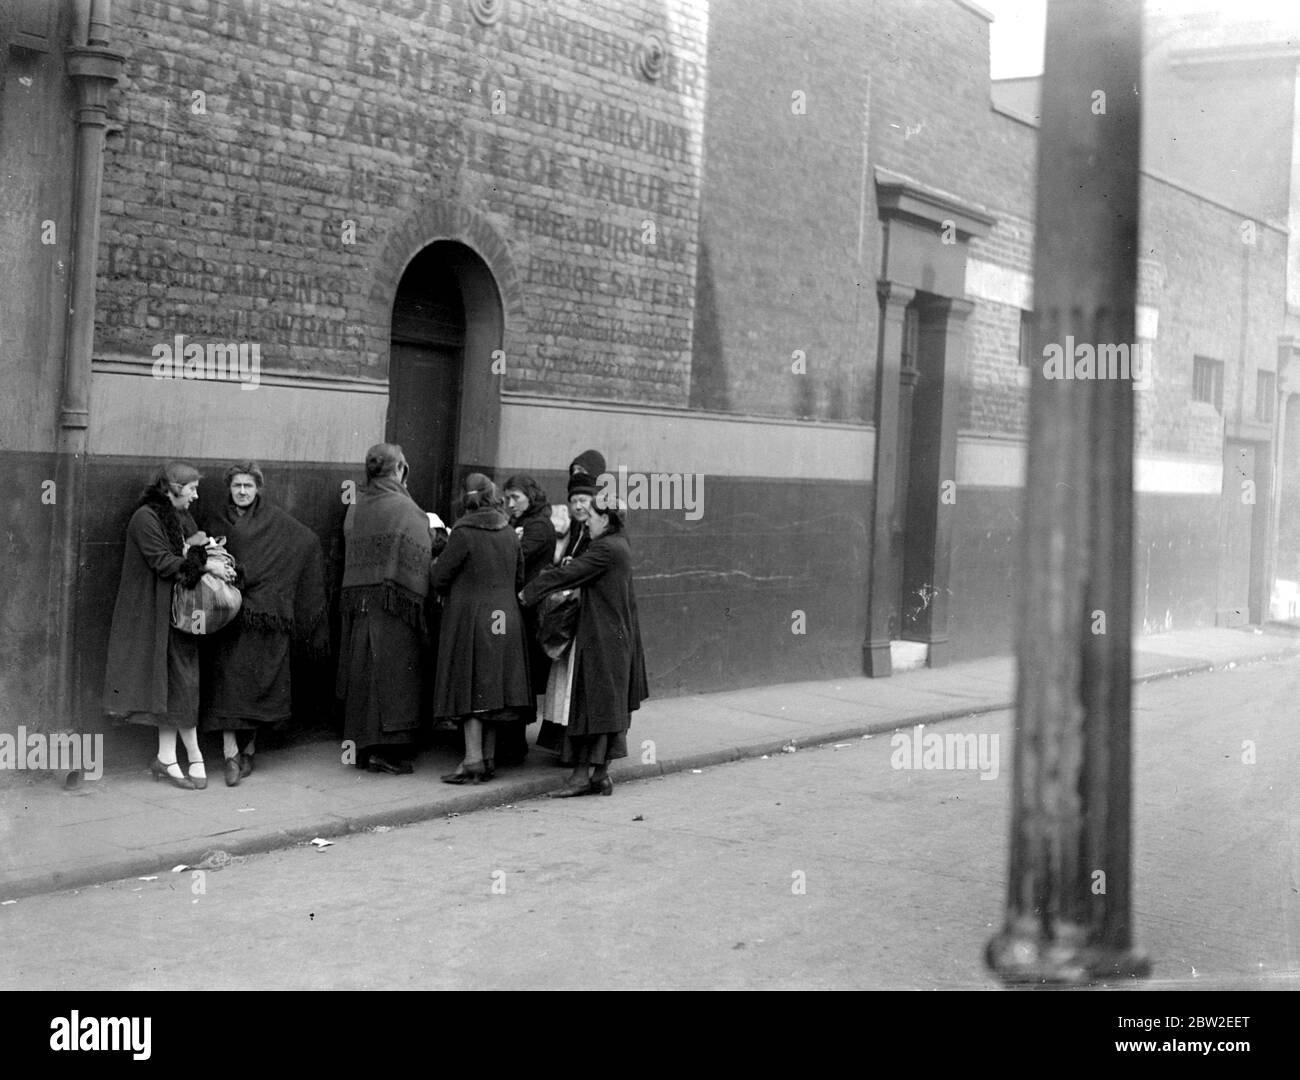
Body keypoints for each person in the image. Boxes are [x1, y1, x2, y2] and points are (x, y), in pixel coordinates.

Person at [102, 462, 236, 790]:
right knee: (173, 686)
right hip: (154, 612)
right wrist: (208, 567)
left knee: (179, 687)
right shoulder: (145, 518)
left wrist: (214, 559)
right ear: (173, 488)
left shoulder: (182, 517)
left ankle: (171, 757)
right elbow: (164, 563)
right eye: (191, 489)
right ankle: (187, 758)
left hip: (179, 612)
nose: (195, 495)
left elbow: (196, 550)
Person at [198, 462, 328, 786]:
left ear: (258, 489)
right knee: (227, 685)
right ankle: (229, 754)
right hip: (229, 613)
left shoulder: (275, 520)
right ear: (229, 488)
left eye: (249, 486)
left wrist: (274, 587)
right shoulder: (216, 520)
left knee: (259, 683)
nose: (242, 492)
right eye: (237, 486)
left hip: (264, 615)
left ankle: (249, 750)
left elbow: (307, 541)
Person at [520, 498, 649, 797]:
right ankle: (600, 776)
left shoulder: (605, 549)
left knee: (588, 707)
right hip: (616, 639)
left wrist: (529, 591)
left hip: (603, 640)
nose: (586, 521)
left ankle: (581, 778)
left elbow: (569, 574)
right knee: (607, 709)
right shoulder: (619, 543)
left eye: (591, 516)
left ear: (606, 519)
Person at [336, 444, 435, 774]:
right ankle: (387, 750)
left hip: (361, 604)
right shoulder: (407, 509)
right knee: (394, 677)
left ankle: (363, 748)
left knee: (364, 673)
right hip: (396, 606)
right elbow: (420, 550)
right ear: (400, 470)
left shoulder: (356, 504)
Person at [432, 474, 533, 783]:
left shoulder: (462, 532)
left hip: (472, 619)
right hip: (506, 618)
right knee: (493, 688)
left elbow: (439, 578)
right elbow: (519, 577)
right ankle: (488, 759)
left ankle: (473, 760)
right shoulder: (508, 531)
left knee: (471, 684)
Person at [534, 449, 606, 755]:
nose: (578, 506)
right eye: (574, 499)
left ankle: (574, 749)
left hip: (586, 619)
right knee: (563, 681)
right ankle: (562, 744)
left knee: (576, 684)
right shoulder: (574, 530)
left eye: (584, 500)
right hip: (568, 618)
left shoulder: (601, 533)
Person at [500, 473, 557, 764]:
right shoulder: (520, 523)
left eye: (515, 498)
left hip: (528, 611)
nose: (510, 504)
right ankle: (512, 744)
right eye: (506, 498)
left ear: (530, 496)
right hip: (519, 608)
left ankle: (514, 746)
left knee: (520, 678)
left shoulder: (538, 526)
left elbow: (516, 557)